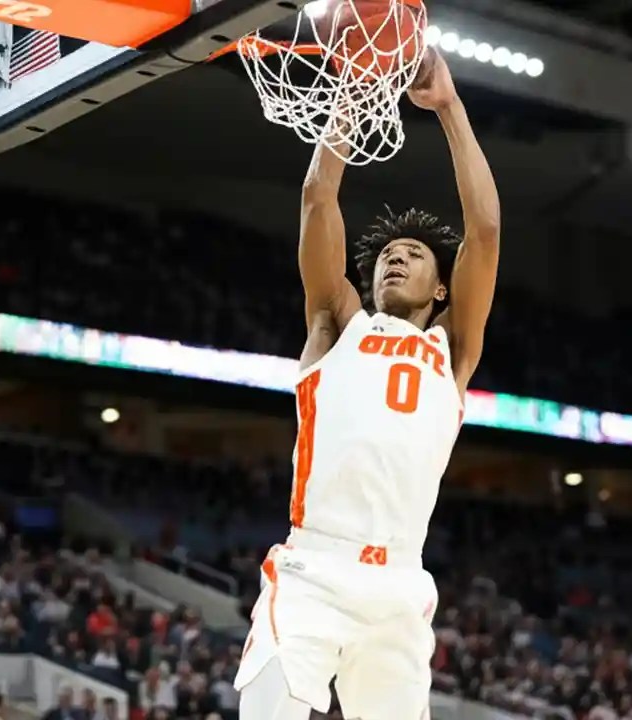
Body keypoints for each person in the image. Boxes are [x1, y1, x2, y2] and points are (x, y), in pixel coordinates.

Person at [234, 48, 500, 720]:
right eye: (385, 256)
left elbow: (486, 232)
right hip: (314, 570)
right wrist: (352, 97)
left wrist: (450, 108)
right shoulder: (337, 324)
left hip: (400, 585)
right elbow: (317, 198)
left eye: (412, 257)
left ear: (441, 288)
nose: (395, 259)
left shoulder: (452, 351)